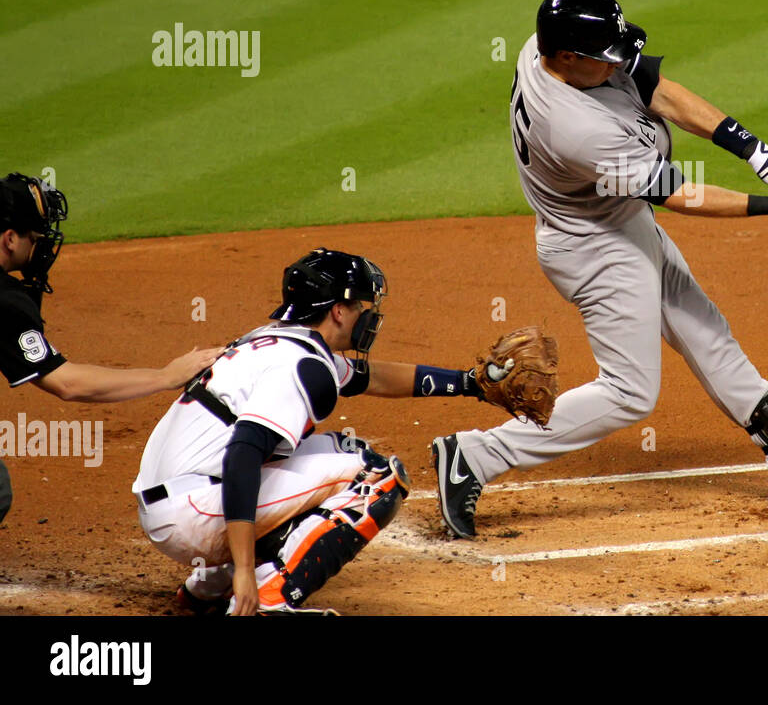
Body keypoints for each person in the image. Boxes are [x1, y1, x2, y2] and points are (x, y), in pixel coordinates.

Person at [432, 0, 768, 540]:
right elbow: (677, 192)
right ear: (567, 58)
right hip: (594, 250)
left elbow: (656, 89)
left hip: (621, 224)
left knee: (706, 331)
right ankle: (475, 456)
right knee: (629, 392)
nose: (618, 63)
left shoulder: (551, 47)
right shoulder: (573, 130)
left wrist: (756, 153)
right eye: (607, 57)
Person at [134, 247, 505, 615]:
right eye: (362, 306)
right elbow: (242, 458)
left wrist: (470, 383)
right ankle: (268, 599)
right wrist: (246, 570)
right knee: (376, 477)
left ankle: (208, 587)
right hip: (192, 515)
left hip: (175, 499)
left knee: (344, 451)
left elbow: (369, 377)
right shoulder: (301, 366)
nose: (368, 315)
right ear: (339, 311)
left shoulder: (275, 339)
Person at [0, 172, 221, 524]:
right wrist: (166, 376)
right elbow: (66, 383)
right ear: (10, 239)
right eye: (36, 237)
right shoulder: (4, 300)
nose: (42, 246)